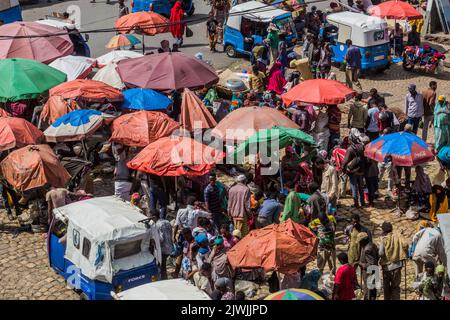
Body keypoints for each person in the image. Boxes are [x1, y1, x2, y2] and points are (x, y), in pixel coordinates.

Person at [378, 222, 408, 300]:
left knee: (386, 288)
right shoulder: (398, 236)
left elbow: (381, 253)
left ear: (383, 231)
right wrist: (405, 254)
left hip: (387, 268)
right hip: (398, 266)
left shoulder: (384, 239)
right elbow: (405, 245)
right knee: (395, 287)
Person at [342, 129, 367, 208]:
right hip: (361, 169)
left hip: (353, 171)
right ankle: (362, 202)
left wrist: (343, 170)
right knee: (361, 187)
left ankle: (356, 204)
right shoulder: (362, 146)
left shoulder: (350, 149)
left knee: (354, 187)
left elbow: (345, 162)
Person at [149, 209, 173, 280]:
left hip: (163, 249)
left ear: (154, 217)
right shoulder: (167, 222)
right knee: (164, 265)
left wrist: (152, 241)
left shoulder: (157, 225)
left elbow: (161, 239)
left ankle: (163, 279)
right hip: (170, 246)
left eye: (150, 217)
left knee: (162, 266)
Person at [358, 232, 379, 300]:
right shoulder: (373, 245)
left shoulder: (367, 249)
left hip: (369, 274)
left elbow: (371, 264)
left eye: (360, 241)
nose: (359, 243)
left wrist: (362, 264)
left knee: (368, 293)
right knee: (373, 292)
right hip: (375, 271)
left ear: (364, 240)